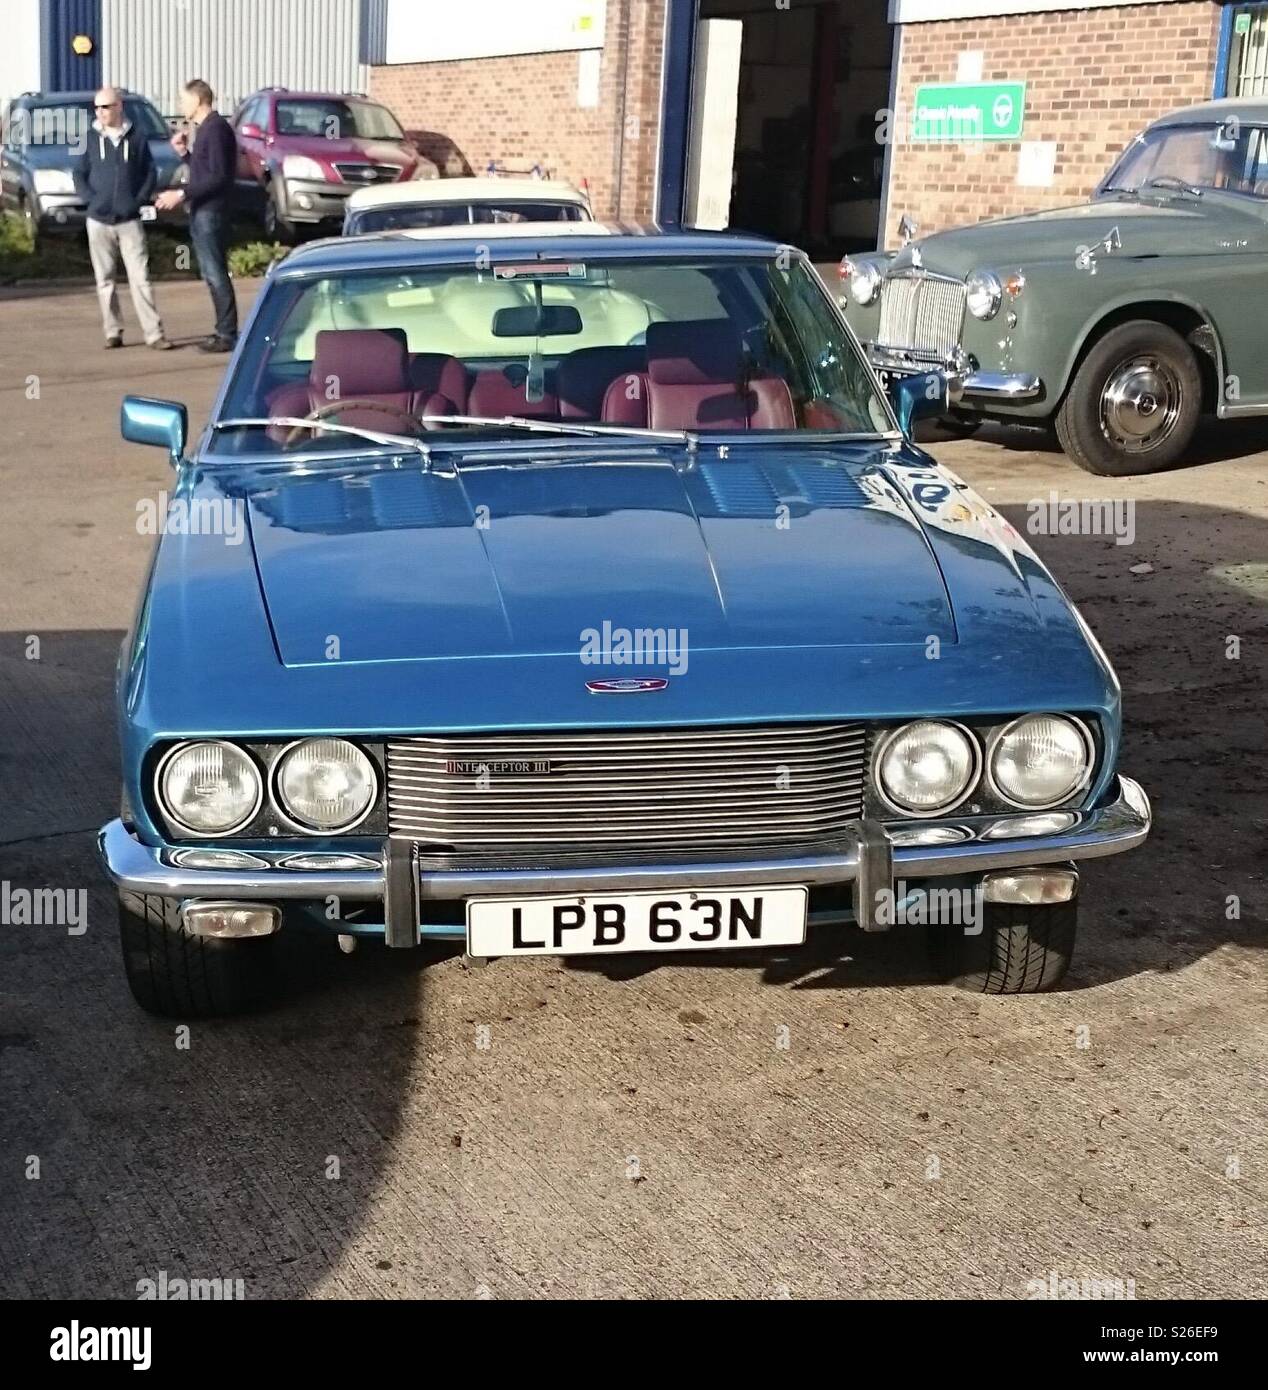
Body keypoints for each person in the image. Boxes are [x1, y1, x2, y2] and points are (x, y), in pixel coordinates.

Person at [73, 87, 171, 350]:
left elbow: (149, 172)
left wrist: (137, 200)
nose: (101, 112)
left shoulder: (136, 136)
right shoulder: (90, 138)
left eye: (106, 107)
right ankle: (113, 331)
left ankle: (154, 334)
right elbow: (79, 174)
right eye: (97, 108)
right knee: (104, 280)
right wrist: (92, 200)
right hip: (98, 220)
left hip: (129, 219)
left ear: (119, 106)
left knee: (140, 278)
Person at [154, 79, 237, 352]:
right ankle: (222, 329)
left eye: (183, 99)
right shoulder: (206, 130)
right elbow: (205, 171)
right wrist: (185, 155)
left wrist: (180, 194)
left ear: (198, 100)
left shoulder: (215, 130)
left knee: (215, 273)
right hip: (202, 211)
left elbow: (219, 177)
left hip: (211, 213)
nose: (180, 105)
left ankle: (227, 333)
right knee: (210, 272)